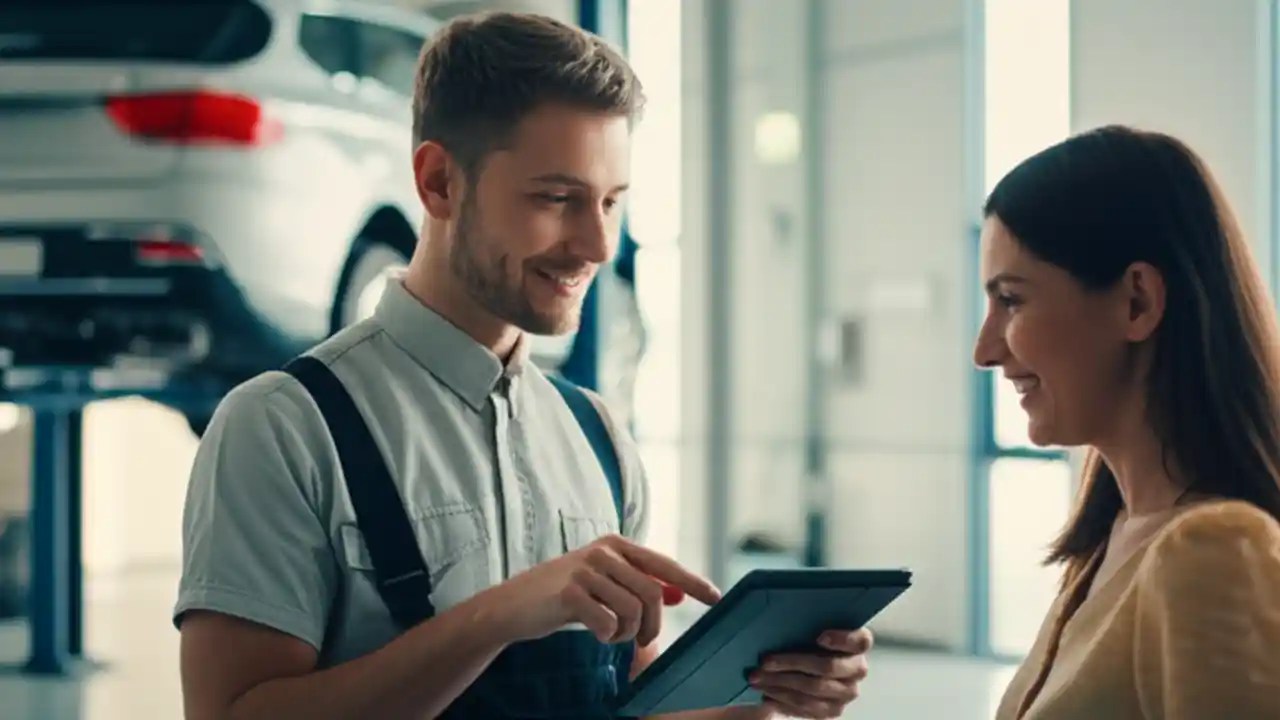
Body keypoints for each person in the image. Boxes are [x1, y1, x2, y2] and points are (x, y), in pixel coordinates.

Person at [174, 12, 871, 720]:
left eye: (610, 203)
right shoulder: (282, 427)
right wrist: (499, 616)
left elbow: (619, 702)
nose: (597, 244)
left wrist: (756, 704)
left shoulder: (599, 438)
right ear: (440, 181)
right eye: (557, 198)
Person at [974, 125, 1280, 719]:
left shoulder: (1212, 555)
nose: (985, 350)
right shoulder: (1109, 545)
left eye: (1011, 300)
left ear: (1136, 301)